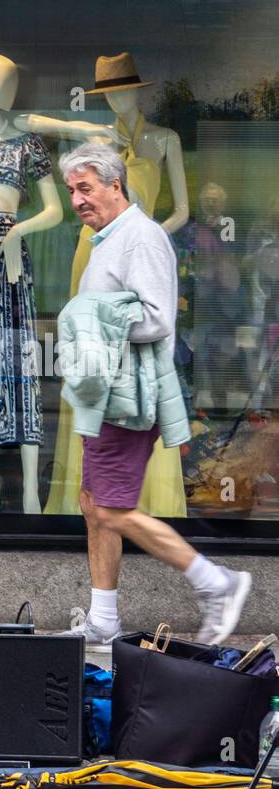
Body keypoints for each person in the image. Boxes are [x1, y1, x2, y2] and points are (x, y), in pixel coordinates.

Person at [60, 144, 251, 645]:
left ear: (115, 185)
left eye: (86, 187)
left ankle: (216, 582)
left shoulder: (140, 238)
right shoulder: (110, 238)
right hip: (109, 393)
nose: (77, 199)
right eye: (72, 191)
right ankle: (104, 620)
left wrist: (88, 319)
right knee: (93, 501)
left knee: (108, 508)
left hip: (127, 398)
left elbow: (157, 319)